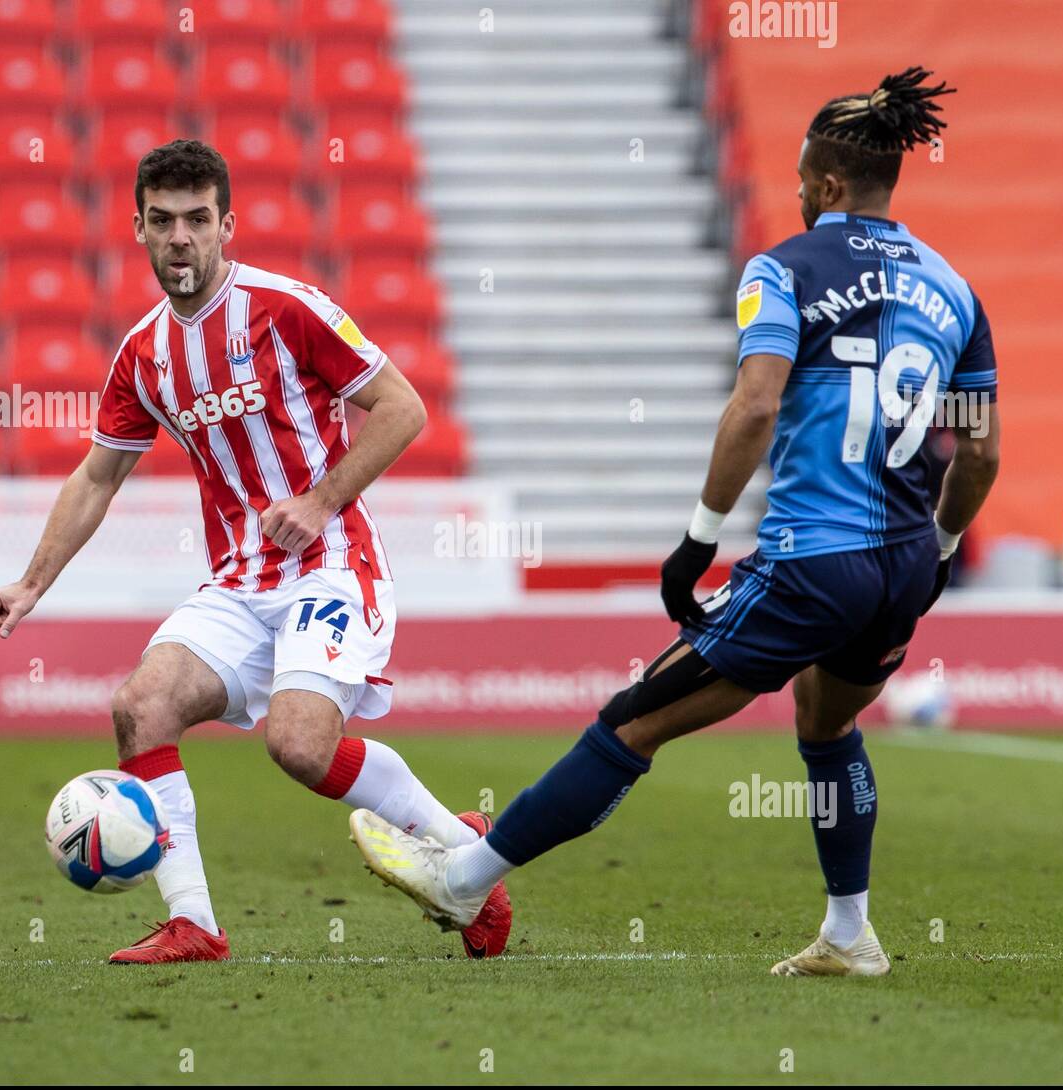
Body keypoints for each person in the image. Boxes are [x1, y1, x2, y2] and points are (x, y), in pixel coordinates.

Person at [350, 68, 999, 976]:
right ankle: (849, 932)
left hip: (813, 559)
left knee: (631, 722)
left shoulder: (784, 268)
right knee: (824, 722)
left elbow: (755, 405)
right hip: (900, 566)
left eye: (806, 178)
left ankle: (466, 875)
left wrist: (698, 536)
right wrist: (939, 546)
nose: (800, 190)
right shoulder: (957, 291)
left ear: (825, 184)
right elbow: (979, 454)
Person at [0, 140, 510, 963]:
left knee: (298, 744)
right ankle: (193, 921)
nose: (181, 238)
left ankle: (467, 855)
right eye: (163, 222)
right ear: (139, 229)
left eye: (199, 220)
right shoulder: (143, 354)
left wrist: (320, 499)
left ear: (227, 224)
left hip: (333, 561)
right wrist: (30, 582)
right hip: (237, 582)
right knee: (139, 707)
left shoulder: (286, 307)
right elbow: (96, 478)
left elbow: (403, 407)